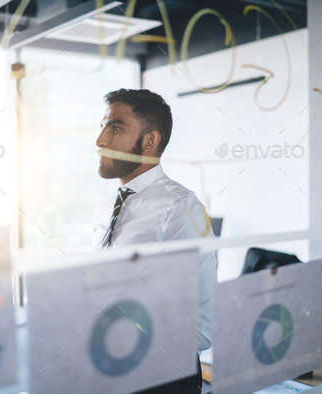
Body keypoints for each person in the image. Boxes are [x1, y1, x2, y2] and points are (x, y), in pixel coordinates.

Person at [92, 88, 217, 394]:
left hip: (161, 379)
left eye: (116, 127)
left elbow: (203, 326)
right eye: (103, 127)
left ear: (149, 141)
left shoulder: (182, 209)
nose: (100, 141)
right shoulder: (106, 205)